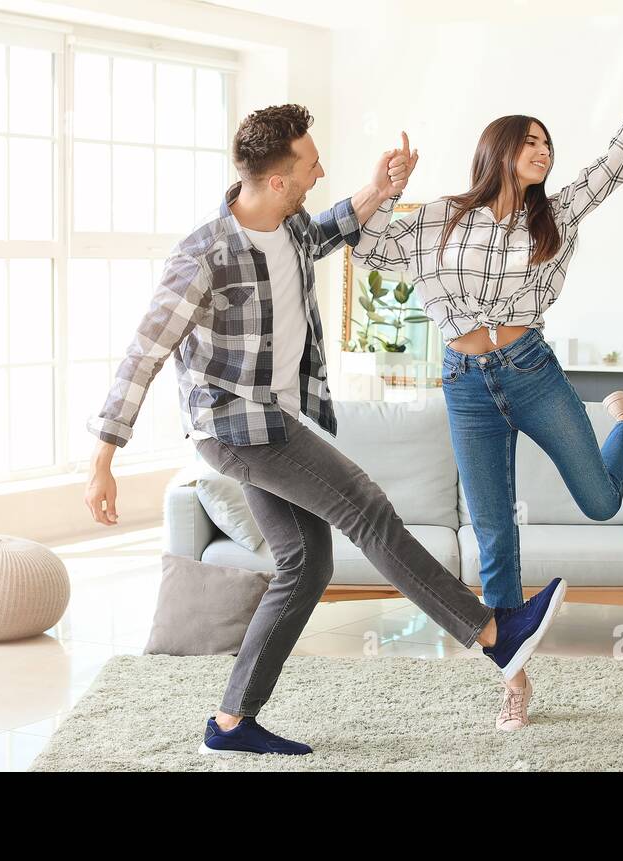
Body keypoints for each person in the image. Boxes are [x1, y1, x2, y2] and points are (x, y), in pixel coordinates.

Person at [84, 104, 566, 756]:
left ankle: (230, 723)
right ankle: (490, 633)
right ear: (279, 179)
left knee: (307, 563)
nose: (319, 173)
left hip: (273, 418)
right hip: (234, 427)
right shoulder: (203, 256)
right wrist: (102, 456)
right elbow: (144, 350)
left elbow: (333, 227)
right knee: (367, 507)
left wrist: (383, 188)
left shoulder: (287, 227)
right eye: (310, 165)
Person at [351, 25, 623, 731]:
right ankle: (515, 676)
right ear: (499, 148)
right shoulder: (441, 217)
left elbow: (616, 165)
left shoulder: (554, 216)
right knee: (494, 534)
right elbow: (364, 246)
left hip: (531, 370)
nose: (542, 151)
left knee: (600, 501)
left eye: (547, 144)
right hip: (465, 383)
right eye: (530, 141)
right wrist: (385, 188)